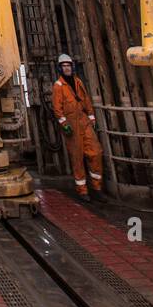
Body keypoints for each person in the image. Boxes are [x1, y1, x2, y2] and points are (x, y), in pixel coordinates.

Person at [51, 54, 105, 202]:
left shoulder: (78, 82)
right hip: (71, 124)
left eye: (69, 65)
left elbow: (86, 99)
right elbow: (57, 108)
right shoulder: (58, 86)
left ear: (72, 67)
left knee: (96, 152)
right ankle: (82, 190)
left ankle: (97, 187)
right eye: (64, 66)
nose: (67, 68)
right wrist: (64, 124)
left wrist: (92, 116)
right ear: (60, 68)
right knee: (77, 157)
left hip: (83, 121)